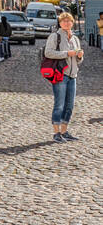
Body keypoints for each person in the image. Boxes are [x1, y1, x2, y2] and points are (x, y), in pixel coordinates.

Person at [45, 11, 84, 142]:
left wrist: (79, 56)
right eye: (64, 21)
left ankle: (64, 131)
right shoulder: (55, 36)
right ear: (60, 23)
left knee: (69, 105)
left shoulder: (75, 38)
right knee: (59, 104)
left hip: (73, 75)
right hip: (60, 74)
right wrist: (67, 53)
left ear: (72, 23)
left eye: (69, 21)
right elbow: (48, 53)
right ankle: (56, 133)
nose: (67, 23)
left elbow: (78, 60)